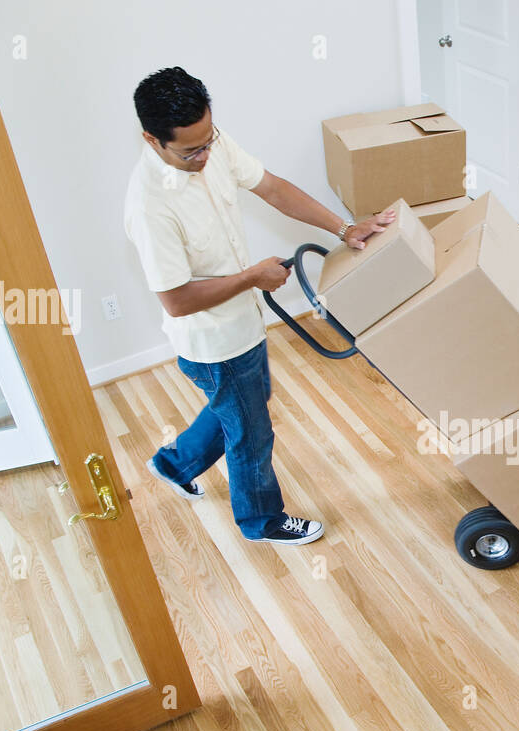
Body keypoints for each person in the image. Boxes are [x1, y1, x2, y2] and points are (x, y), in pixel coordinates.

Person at [124, 67, 394, 545]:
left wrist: (343, 228)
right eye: (192, 151)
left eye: (209, 139)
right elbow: (177, 300)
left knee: (241, 405)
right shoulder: (150, 208)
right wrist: (252, 276)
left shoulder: (213, 144)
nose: (206, 155)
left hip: (244, 323)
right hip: (212, 340)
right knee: (251, 433)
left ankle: (174, 463)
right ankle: (261, 521)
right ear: (152, 140)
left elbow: (272, 188)